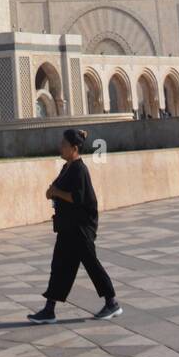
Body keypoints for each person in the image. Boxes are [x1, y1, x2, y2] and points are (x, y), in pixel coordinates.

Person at [28, 127, 122, 325]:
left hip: (81, 228)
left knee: (91, 264)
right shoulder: (67, 168)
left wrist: (56, 192)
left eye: (64, 145)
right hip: (67, 227)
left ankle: (112, 302)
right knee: (60, 267)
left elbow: (77, 198)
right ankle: (49, 309)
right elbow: (52, 189)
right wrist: (52, 191)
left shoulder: (79, 169)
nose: (60, 148)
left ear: (74, 148)